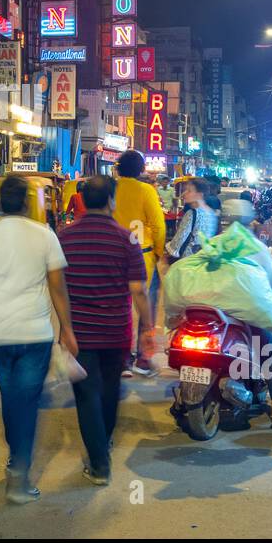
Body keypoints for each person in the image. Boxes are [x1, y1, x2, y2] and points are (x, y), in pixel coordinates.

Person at [0, 175, 76, 504]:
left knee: (13, 401)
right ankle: (19, 475)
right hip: (35, 333)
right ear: (26, 202)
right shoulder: (44, 235)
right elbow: (57, 287)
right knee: (26, 402)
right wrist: (67, 328)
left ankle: (15, 461)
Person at [58, 175, 152, 485]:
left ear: (82, 201)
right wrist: (147, 327)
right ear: (112, 200)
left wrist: (63, 329)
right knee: (110, 391)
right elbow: (138, 290)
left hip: (79, 333)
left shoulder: (65, 237)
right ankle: (104, 444)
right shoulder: (127, 239)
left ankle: (99, 463)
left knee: (86, 395)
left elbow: (57, 288)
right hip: (116, 332)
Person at [216, 207, 272, 430]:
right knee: (270, 352)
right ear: (248, 221)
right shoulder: (257, 248)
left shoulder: (214, 242)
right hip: (246, 316)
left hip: (216, 316)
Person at [111, 150, 167, 377]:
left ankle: (122, 358)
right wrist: (158, 253)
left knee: (119, 308)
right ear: (142, 169)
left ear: (118, 168)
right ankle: (143, 358)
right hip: (142, 257)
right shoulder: (146, 190)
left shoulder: (112, 189)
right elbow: (158, 226)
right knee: (147, 308)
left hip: (114, 256)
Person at [164, 178, 215, 264]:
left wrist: (167, 251)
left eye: (189, 191)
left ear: (200, 195)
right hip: (203, 261)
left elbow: (178, 241)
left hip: (187, 262)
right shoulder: (211, 212)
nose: (184, 194)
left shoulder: (192, 213)